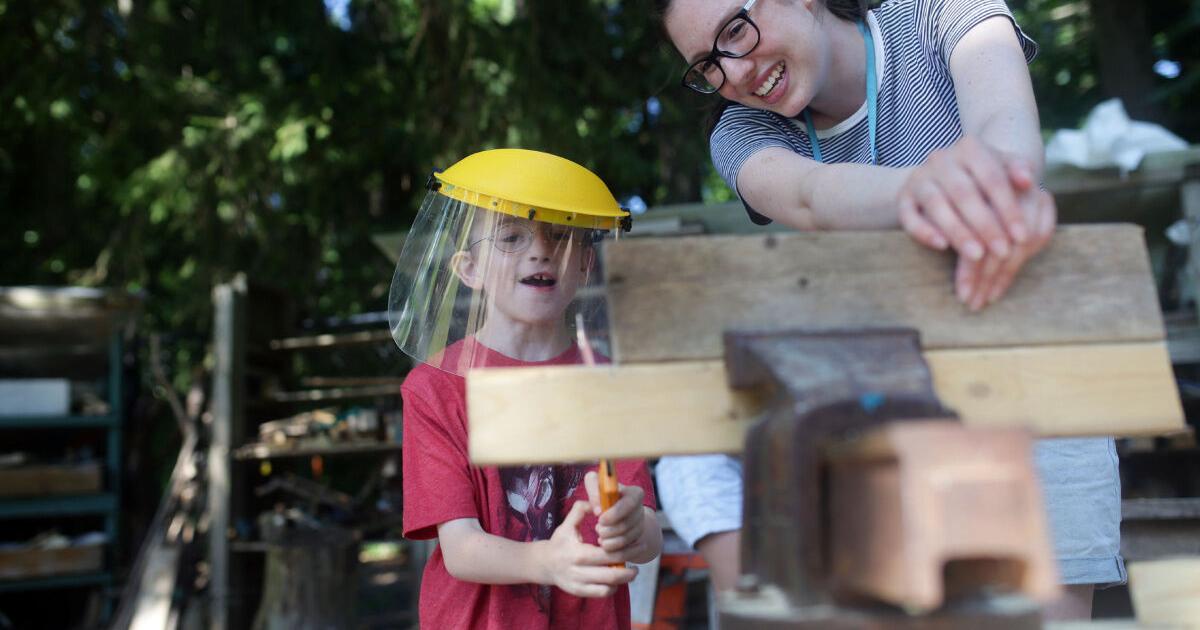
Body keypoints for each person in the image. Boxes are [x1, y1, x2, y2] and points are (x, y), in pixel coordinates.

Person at [652, 0, 1122, 620]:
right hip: (900, 410)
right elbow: (811, 197)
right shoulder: (740, 133)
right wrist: (931, 188)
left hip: (1035, 369)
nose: (734, 74)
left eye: (736, 30)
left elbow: (1007, 129)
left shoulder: (939, 14)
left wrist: (1003, 179)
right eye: (707, 64)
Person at [388, 148, 663, 629]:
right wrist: (547, 563)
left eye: (559, 236)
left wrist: (633, 526)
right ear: (467, 270)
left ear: (584, 266)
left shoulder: (607, 383)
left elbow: (649, 535)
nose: (540, 250)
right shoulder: (435, 388)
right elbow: (460, 549)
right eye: (512, 237)